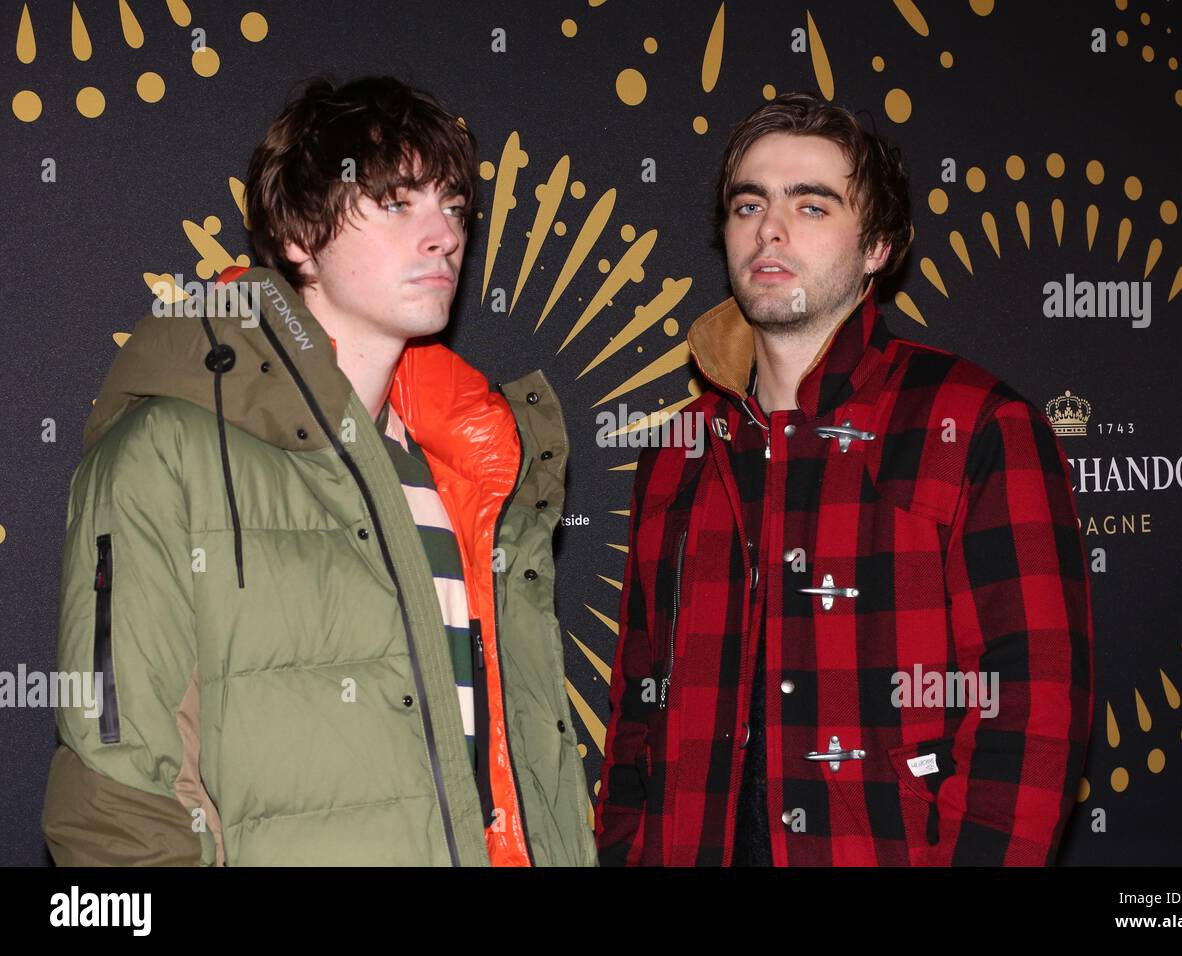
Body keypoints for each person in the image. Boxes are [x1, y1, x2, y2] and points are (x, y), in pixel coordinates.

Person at [42, 75, 595, 866]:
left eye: (453, 206)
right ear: (300, 235)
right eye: (399, 202)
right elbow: (115, 806)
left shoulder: (470, 475)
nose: (444, 234)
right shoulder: (166, 456)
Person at [595, 92, 1094, 866]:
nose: (770, 227)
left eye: (813, 206)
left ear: (879, 247)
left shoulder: (976, 427)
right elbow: (638, 716)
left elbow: (1032, 718)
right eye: (749, 203)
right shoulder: (678, 454)